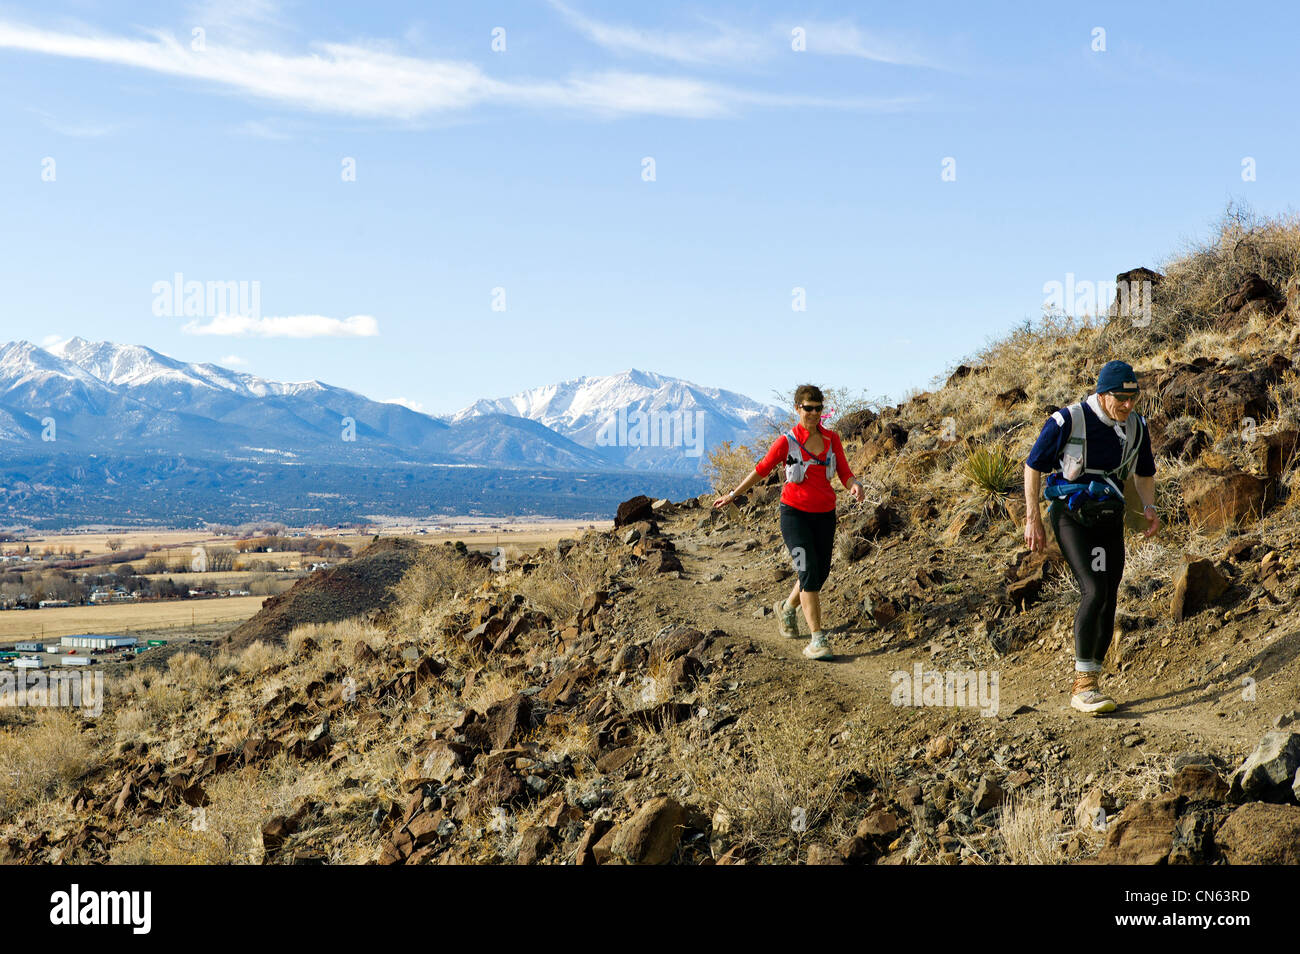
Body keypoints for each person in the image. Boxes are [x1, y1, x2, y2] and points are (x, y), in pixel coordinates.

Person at [1023, 360, 1160, 714]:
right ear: (1102, 395)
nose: (1128, 407)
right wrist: (1032, 519)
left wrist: (1148, 507)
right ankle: (1082, 686)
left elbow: (1144, 472)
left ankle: (1093, 678)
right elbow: (1033, 465)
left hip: (1108, 517)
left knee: (1109, 590)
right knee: (1093, 588)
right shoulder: (1067, 421)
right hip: (1071, 517)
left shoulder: (1137, 427)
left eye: (1134, 399)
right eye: (1120, 399)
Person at [714, 385, 864, 659]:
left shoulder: (832, 439)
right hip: (793, 515)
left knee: (819, 573)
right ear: (798, 408)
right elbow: (761, 469)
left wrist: (854, 485)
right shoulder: (787, 441)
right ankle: (818, 640)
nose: (814, 414)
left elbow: (845, 472)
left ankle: (786, 607)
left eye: (819, 409)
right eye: (809, 408)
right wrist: (733, 494)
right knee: (807, 571)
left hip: (825, 514)